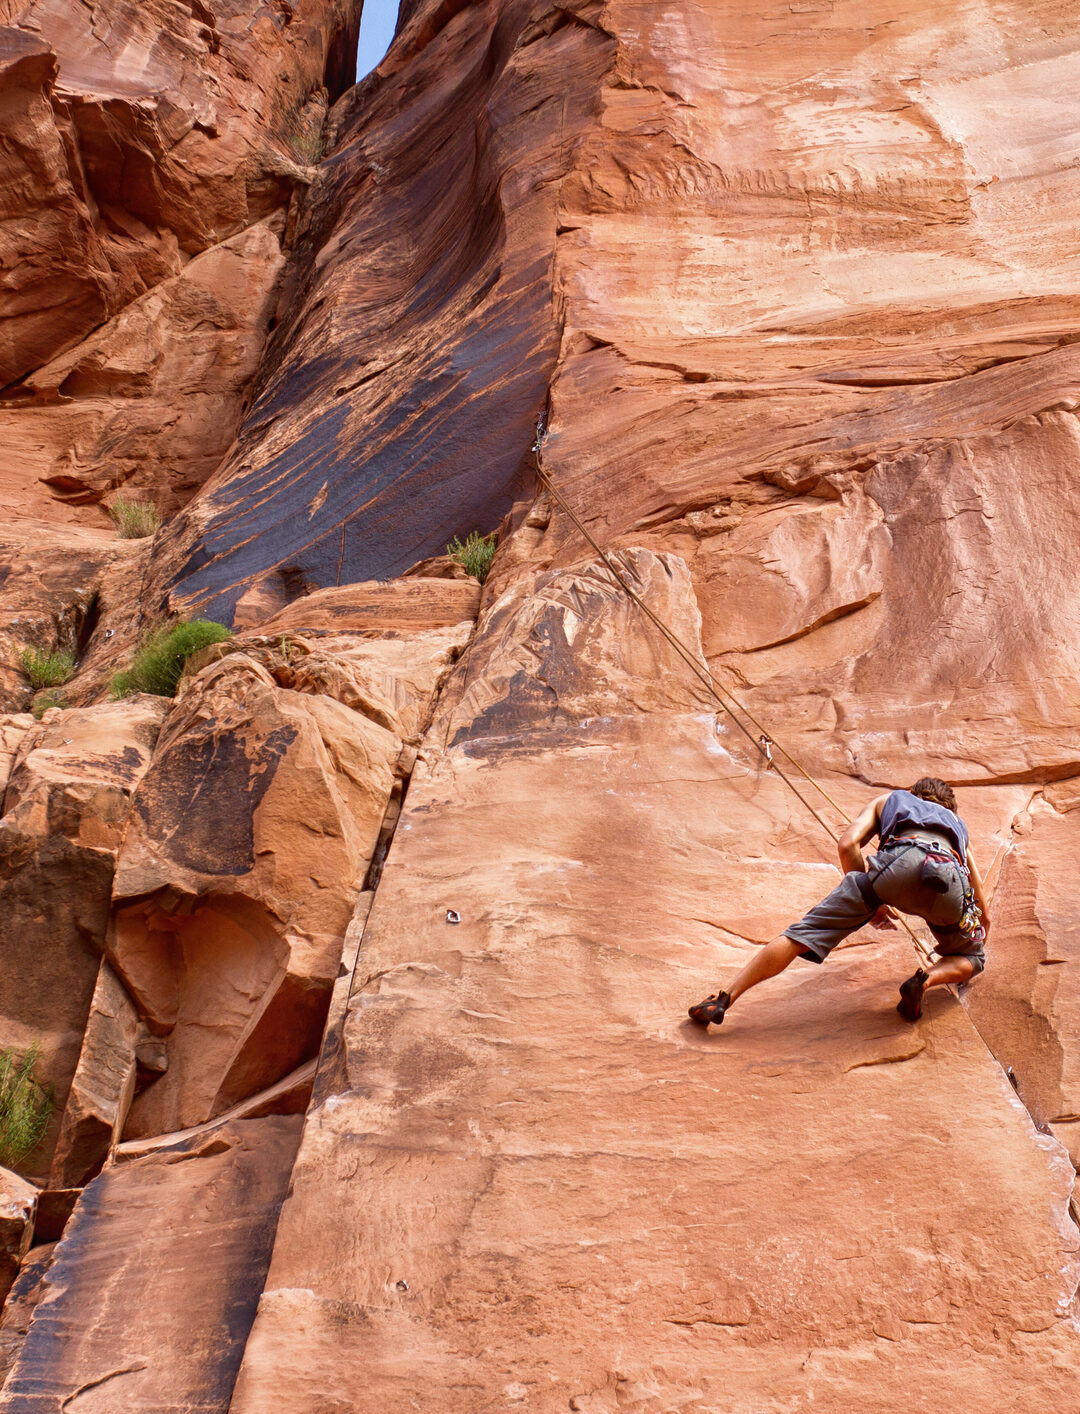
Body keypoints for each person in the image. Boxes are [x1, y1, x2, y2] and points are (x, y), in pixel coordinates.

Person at [688, 777, 991, 1027]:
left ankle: (724, 998)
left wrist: (870, 900)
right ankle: (924, 981)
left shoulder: (891, 800)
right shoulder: (957, 827)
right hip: (948, 883)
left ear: (914, 792)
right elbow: (979, 901)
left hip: (895, 868)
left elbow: (847, 845)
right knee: (974, 958)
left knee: (799, 937)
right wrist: (976, 937)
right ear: (948, 807)